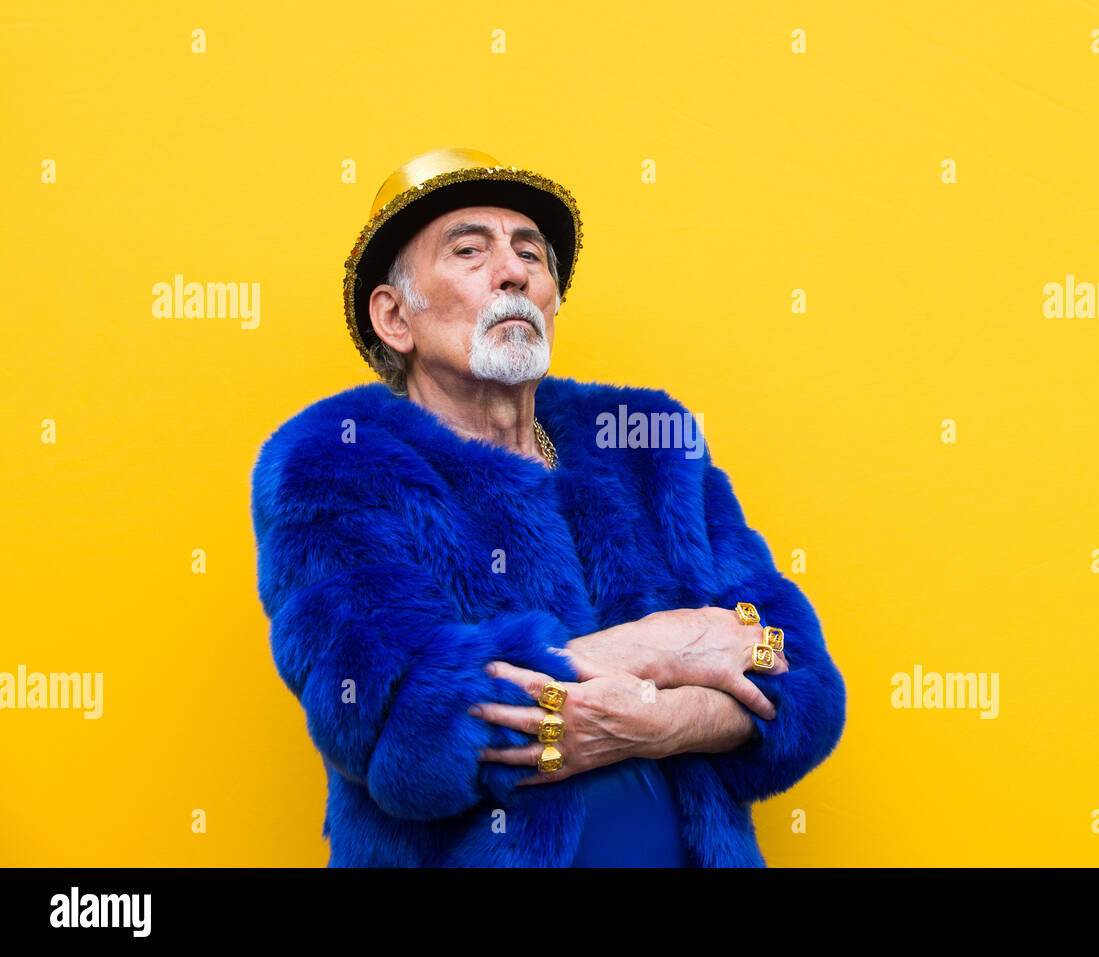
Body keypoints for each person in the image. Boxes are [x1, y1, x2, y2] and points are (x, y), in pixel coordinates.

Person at [250, 147, 847, 866]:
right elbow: (398, 722)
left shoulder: (646, 442)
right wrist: (664, 645)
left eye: (531, 253)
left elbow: (802, 680)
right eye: (469, 249)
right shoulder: (334, 460)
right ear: (395, 317)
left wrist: (656, 723)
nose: (514, 271)